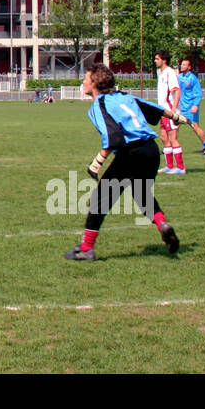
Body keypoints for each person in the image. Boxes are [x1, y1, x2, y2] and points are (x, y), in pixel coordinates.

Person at [64, 63, 181, 261]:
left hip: (131, 152)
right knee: (141, 194)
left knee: (100, 199)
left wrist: (98, 161)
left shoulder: (98, 105)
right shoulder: (125, 96)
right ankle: (162, 223)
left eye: (86, 78)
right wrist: (177, 117)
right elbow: (154, 108)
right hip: (151, 150)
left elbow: (113, 137)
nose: (83, 82)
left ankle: (86, 248)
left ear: (95, 83)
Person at [154, 51, 184, 175]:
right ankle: (169, 166)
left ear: (164, 60)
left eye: (157, 59)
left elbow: (176, 91)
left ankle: (181, 168)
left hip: (170, 111)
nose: (155, 61)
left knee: (173, 138)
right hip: (163, 112)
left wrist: (173, 111)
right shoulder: (161, 73)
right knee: (163, 137)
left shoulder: (170, 73)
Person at [178, 56, 205, 154]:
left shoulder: (192, 78)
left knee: (195, 127)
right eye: (181, 64)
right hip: (181, 108)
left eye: (184, 64)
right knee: (174, 127)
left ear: (189, 67)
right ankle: (170, 147)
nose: (182, 66)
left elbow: (198, 93)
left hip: (190, 108)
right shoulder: (179, 77)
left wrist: (195, 105)